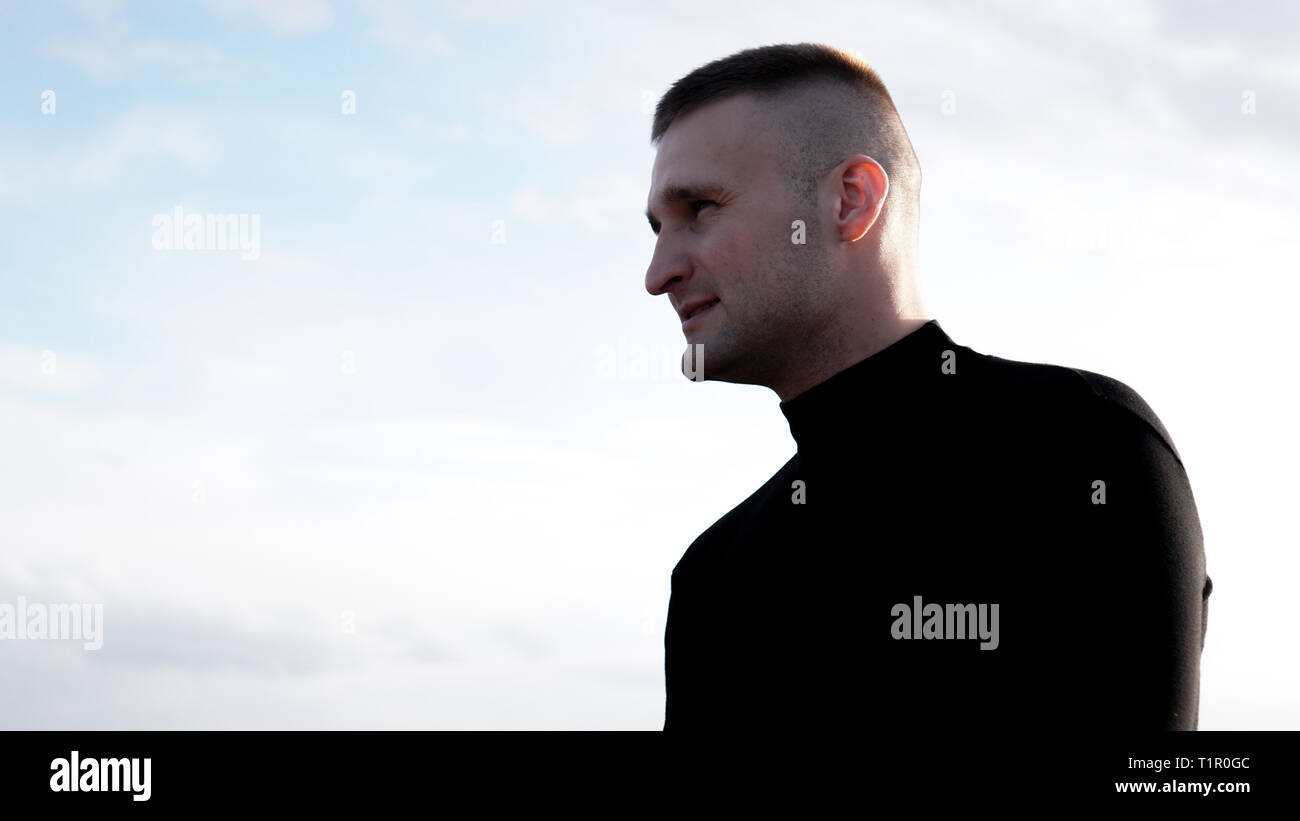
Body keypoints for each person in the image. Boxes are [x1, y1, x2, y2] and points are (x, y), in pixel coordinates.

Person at [644, 43, 1212, 732]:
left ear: (851, 200)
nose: (658, 272)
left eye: (700, 207)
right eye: (656, 229)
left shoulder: (1078, 448)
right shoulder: (713, 578)